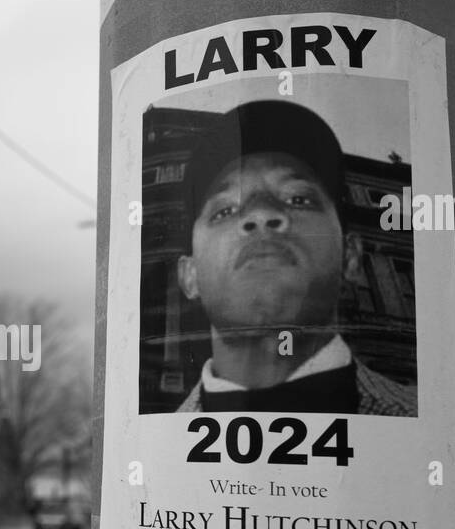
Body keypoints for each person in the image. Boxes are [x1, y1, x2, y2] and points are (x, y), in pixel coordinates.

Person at [174, 100, 416, 416]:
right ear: (189, 275)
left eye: (298, 199)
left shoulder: (440, 426)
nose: (260, 214)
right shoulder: (145, 451)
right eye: (225, 209)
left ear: (350, 256)